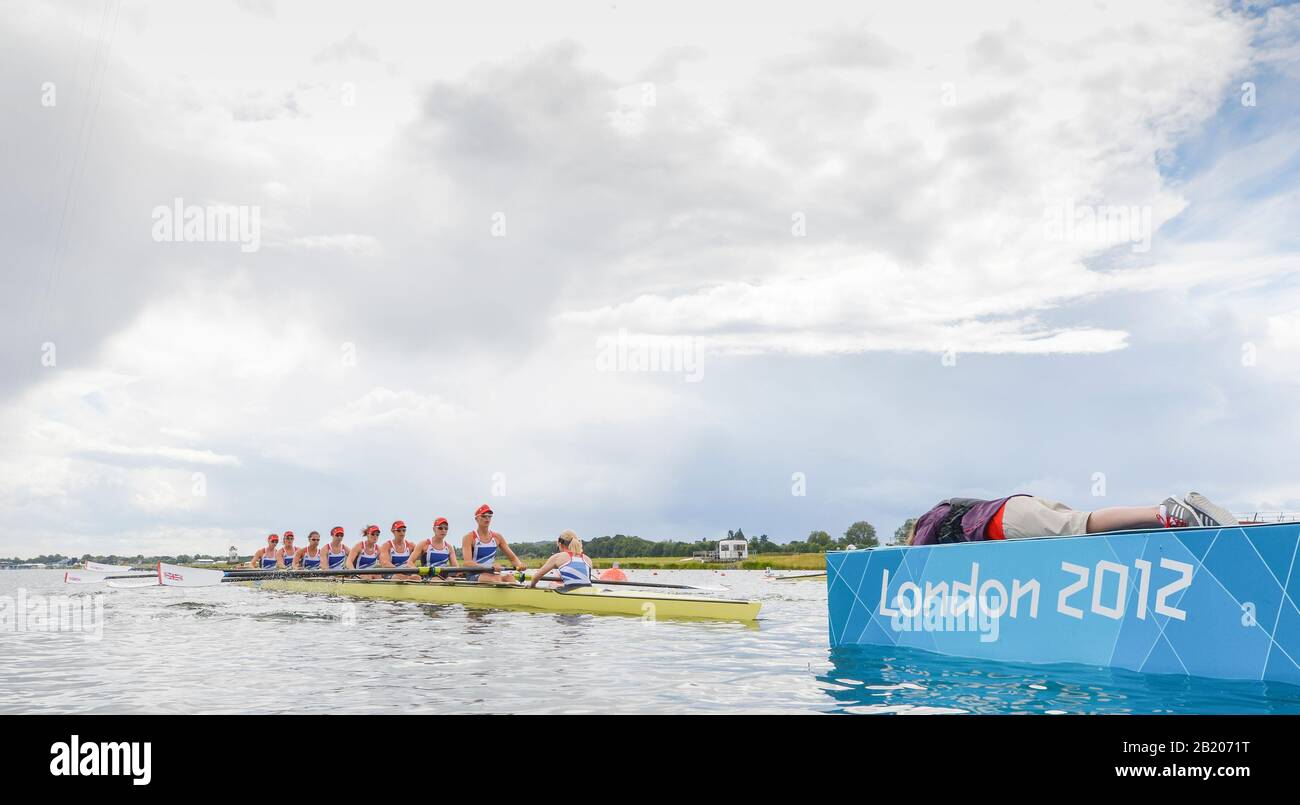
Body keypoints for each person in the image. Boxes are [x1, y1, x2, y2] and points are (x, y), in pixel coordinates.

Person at [906, 491, 1238, 546]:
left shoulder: (928, 524)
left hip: (1009, 519)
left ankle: (1166, 513)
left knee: (1083, 525)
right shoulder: (950, 511)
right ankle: (1169, 520)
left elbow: (916, 563)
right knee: (1085, 527)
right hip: (1016, 508)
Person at [461, 504, 526, 583]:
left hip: (491, 573)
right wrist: (489, 566)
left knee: (510, 578)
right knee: (496, 579)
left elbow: (513, 559)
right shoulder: (469, 537)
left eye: (489, 516)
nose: (487, 518)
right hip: (474, 575)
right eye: (484, 516)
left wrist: (520, 565)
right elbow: (467, 563)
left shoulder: (497, 537)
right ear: (477, 519)